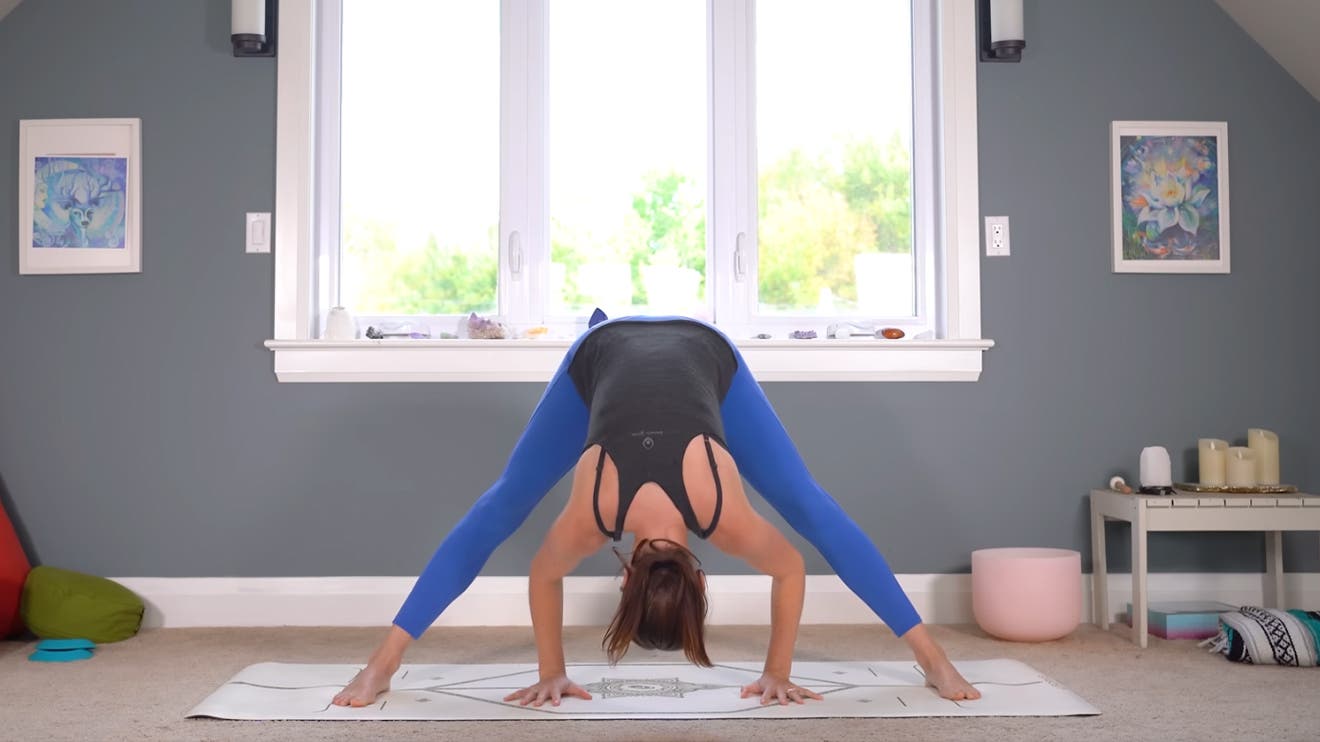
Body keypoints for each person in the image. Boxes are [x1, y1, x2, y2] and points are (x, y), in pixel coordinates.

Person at [333, 315, 979, 708]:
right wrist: (775, 675)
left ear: (701, 578)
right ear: (627, 579)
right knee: (809, 504)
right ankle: (934, 658)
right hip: (606, 351)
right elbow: (791, 570)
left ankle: (379, 667)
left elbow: (541, 574)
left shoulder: (633, 513)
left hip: (698, 352)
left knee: (503, 503)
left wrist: (552, 674)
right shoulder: (630, 514)